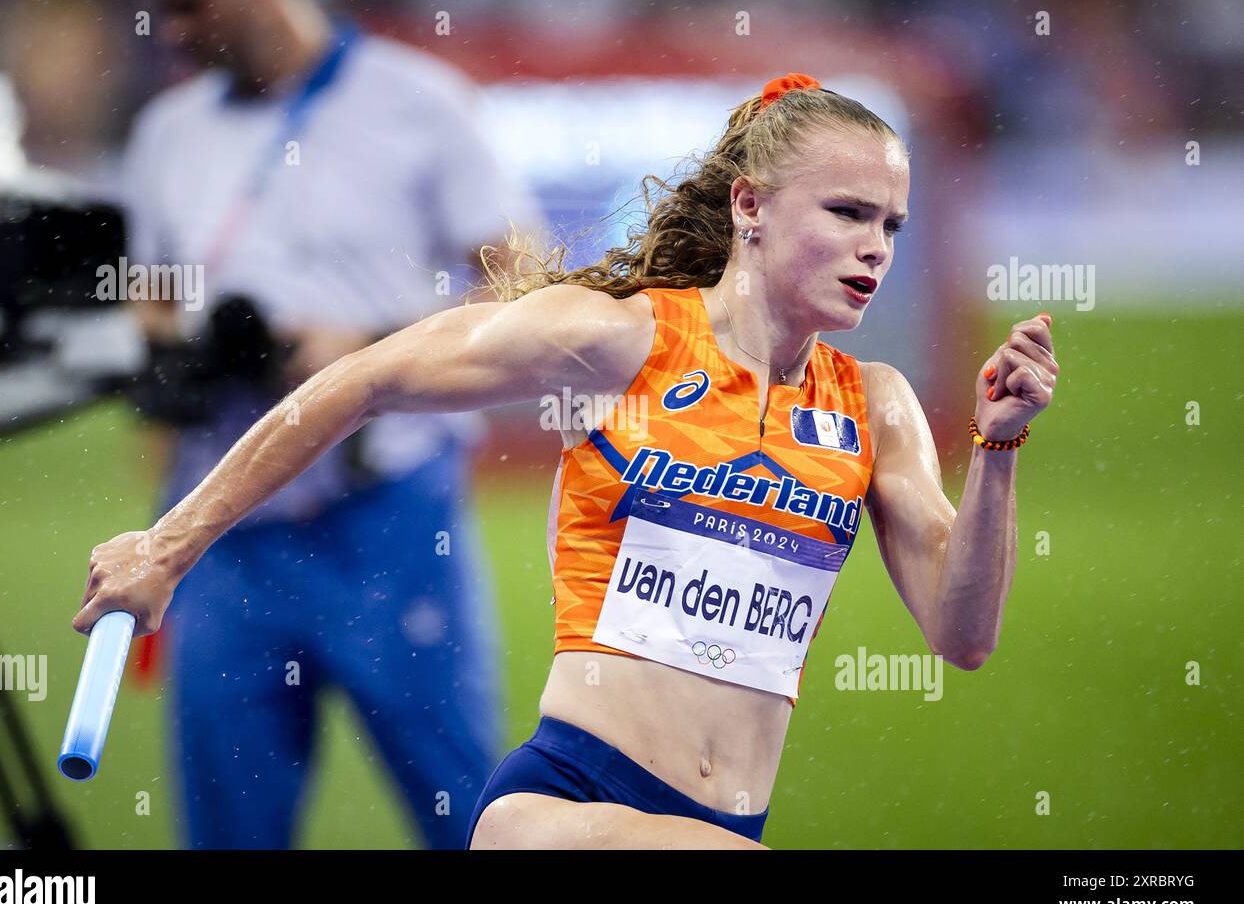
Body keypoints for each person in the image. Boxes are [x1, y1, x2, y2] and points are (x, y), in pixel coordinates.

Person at [77, 71, 1059, 849]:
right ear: (751, 205)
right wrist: (170, 545)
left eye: (891, 222)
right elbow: (363, 380)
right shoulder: (618, 339)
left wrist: (999, 445)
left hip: (723, 822)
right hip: (561, 811)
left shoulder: (873, 403)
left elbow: (961, 631)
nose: (875, 245)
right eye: (847, 212)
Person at [117, 0, 540, 848]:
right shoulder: (167, 130)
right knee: (228, 832)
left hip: (391, 518)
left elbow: (527, 278)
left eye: (190, 4)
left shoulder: (418, 101)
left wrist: (374, 347)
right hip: (225, 524)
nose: (171, 30)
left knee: (470, 819)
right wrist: (182, 352)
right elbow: (151, 296)